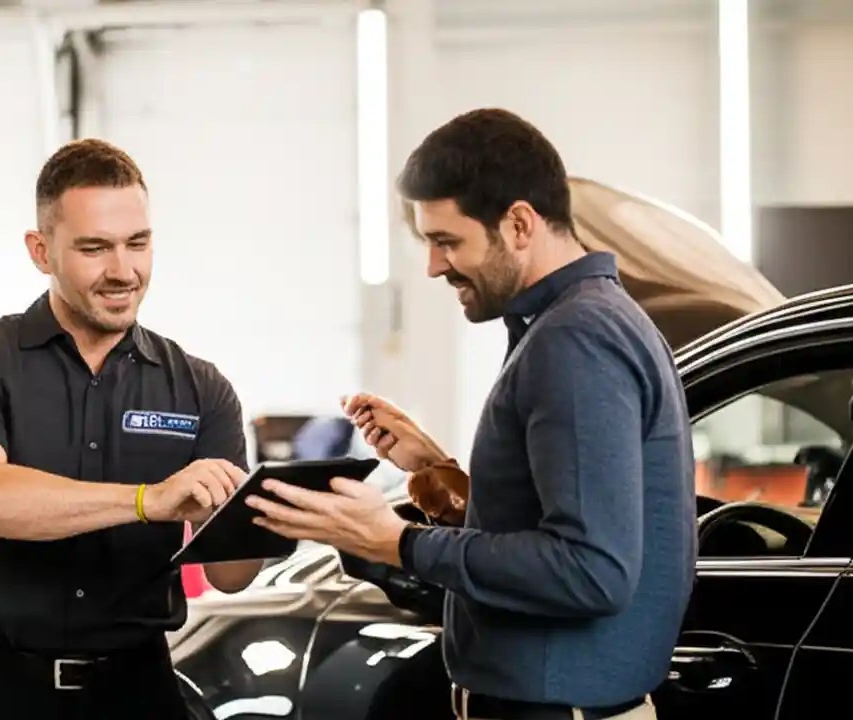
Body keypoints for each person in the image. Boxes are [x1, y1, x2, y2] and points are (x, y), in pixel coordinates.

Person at [246, 108, 695, 720]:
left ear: (517, 224)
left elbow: (591, 572)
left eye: (446, 241)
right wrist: (436, 469)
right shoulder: (584, 323)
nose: (434, 266)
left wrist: (396, 541)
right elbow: (559, 519)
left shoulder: (575, 340)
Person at [0, 138, 265, 719]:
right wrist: (148, 500)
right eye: (94, 248)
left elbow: (232, 576)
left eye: (139, 243)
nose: (123, 271)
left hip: (141, 691)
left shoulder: (201, 387)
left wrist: (265, 516)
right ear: (40, 250)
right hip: (0, 692)